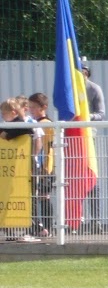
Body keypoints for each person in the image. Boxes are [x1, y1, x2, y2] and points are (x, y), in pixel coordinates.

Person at [26, 93, 51, 238]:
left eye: (34, 107)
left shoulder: (45, 124)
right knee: (39, 196)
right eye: (29, 107)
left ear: (44, 107)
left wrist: (45, 167)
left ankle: (48, 226)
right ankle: (41, 226)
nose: (31, 110)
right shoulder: (34, 123)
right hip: (39, 166)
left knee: (44, 196)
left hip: (45, 166)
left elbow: (48, 148)